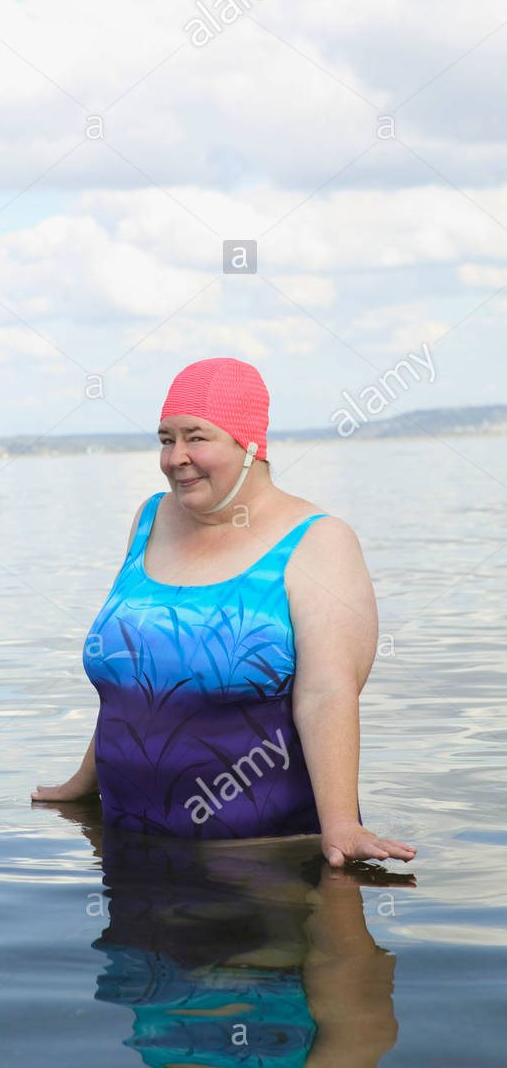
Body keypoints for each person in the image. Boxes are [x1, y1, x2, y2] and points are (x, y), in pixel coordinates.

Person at [31, 357, 416, 867]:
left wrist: (343, 824)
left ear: (250, 444)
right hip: (128, 854)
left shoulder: (317, 541)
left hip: (263, 862)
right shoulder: (150, 519)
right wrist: (81, 787)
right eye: (166, 439)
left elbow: (327, 694)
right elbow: (133, 684)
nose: (176, 457)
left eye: (197, 437)